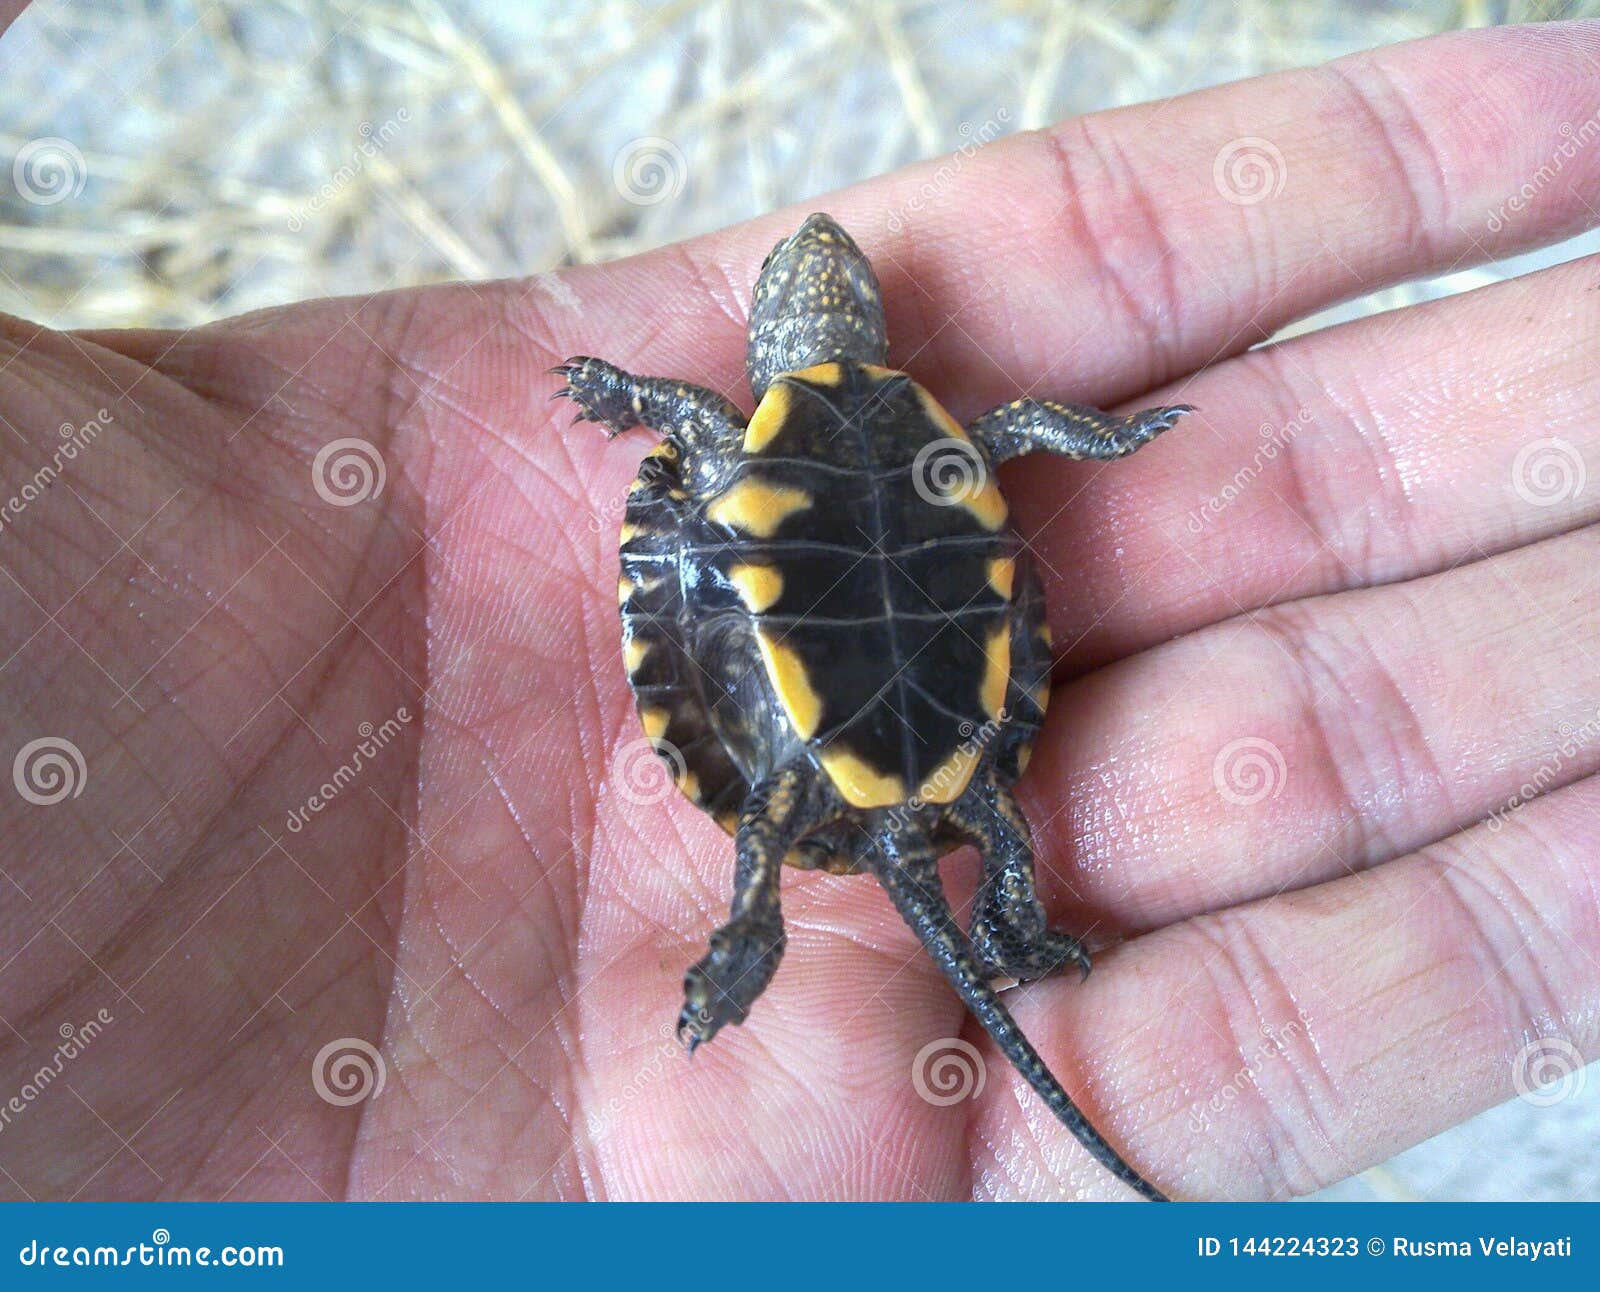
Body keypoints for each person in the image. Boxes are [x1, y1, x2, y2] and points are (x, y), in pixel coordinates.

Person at [1, 18, 1596, 1201]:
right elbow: (1024, 433)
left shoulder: (741, 426)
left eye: (811, 289)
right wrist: (1095, 432)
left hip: (820, 728)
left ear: (784, 339)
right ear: (849, 332)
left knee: (871, 800)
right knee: (970, 795)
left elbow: (785, 429)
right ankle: (969, 923)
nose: (821, 274)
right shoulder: (918, 425)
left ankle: (787, 921)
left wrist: (626, 394)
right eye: (821, 284)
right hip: (923, 688)